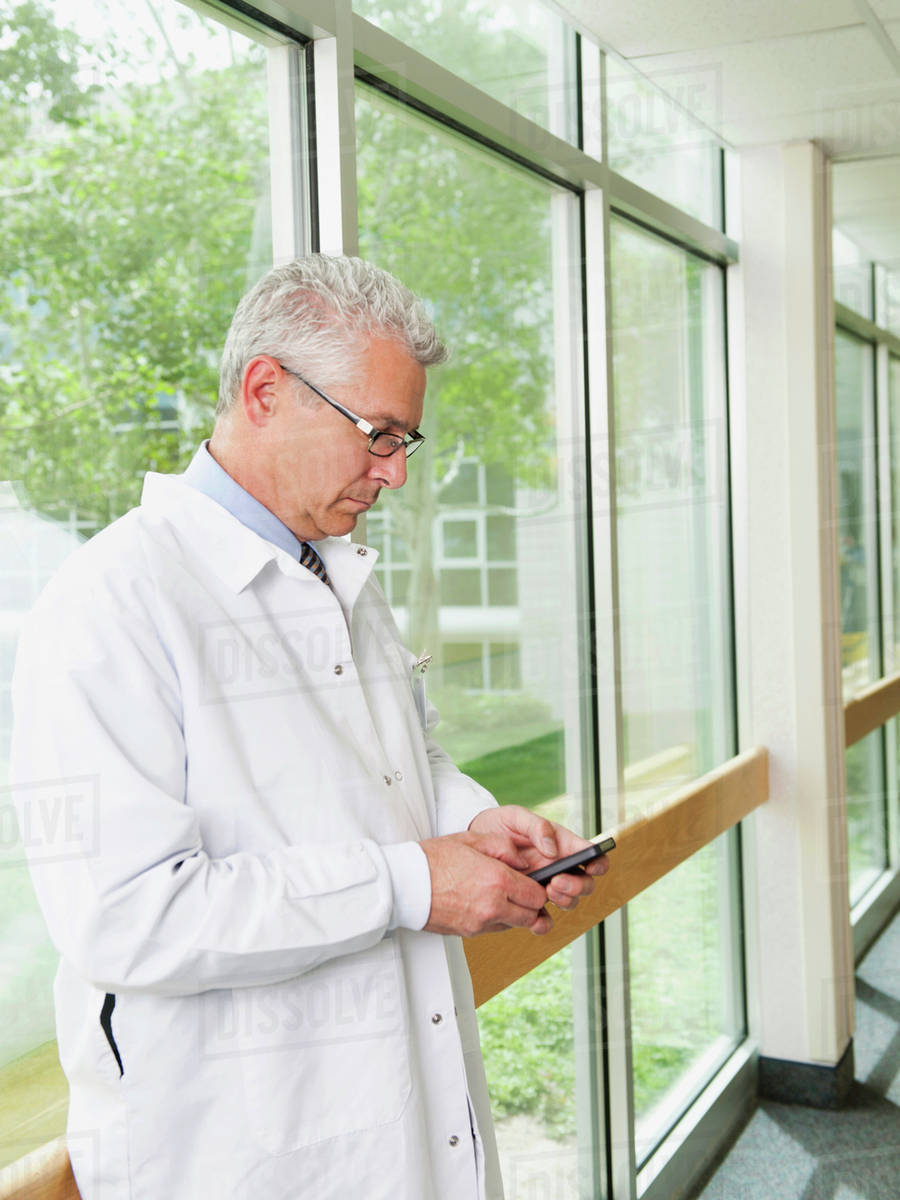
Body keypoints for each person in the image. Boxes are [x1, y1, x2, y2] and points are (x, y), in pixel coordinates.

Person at [11, 255, 609, 1200]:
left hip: (401, 1116)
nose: (397, 472)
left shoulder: (335, 576)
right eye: (378, 435)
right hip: (239, 1154)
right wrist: (412, 880)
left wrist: (473, 824)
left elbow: (393, 762)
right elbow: (126, 918)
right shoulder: (111, 603)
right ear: (264, 390)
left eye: (408, 439)